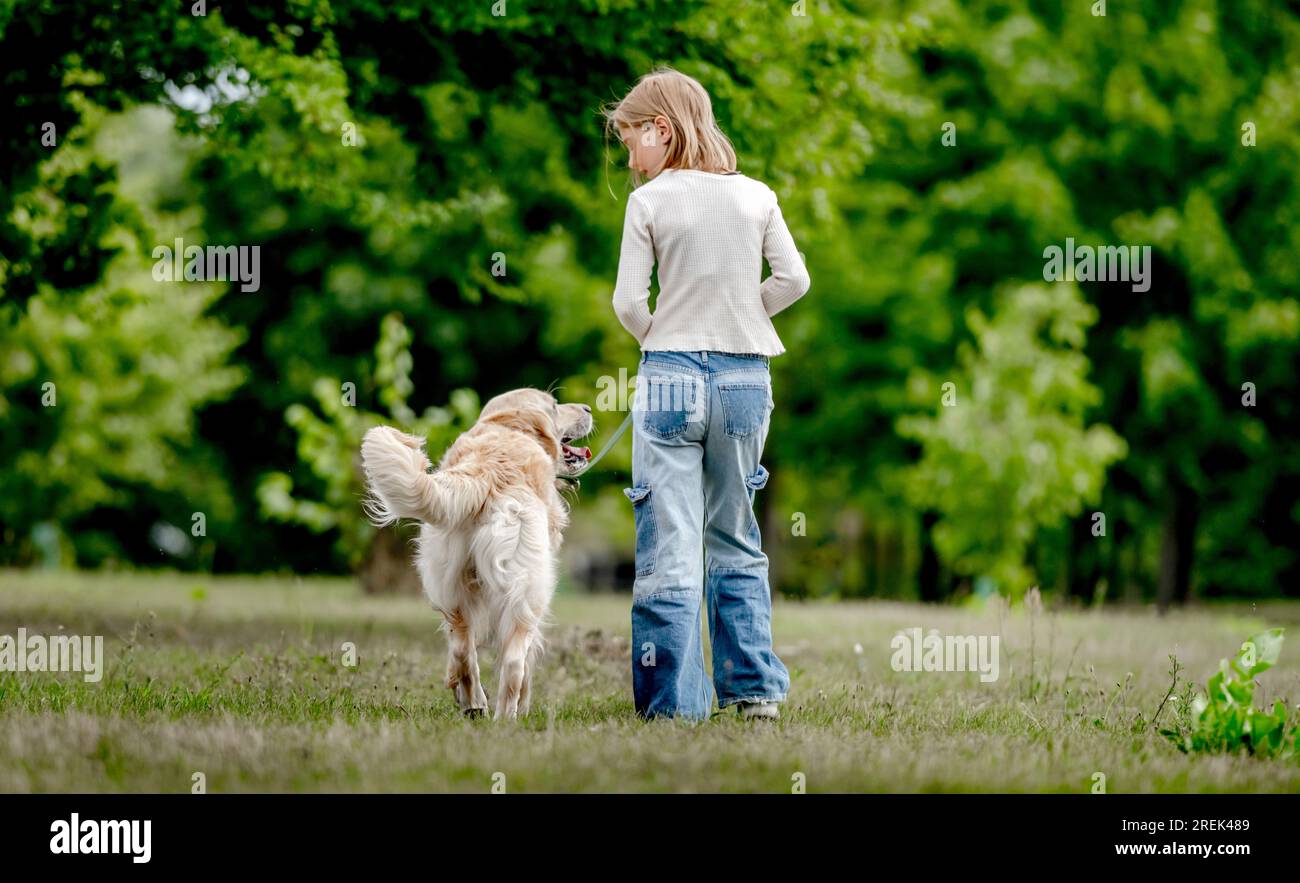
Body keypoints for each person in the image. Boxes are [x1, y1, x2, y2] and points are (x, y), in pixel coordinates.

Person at [603, 66, 811, 721]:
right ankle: (753, 694)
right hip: (746, 378)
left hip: (669, 378)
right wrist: (743, 312)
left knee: (669, 542)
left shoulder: (651, 202)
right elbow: (795, 279)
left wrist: (663, 334)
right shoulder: (757, 195)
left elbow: (629, 303)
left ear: (662, 130)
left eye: (632, 138)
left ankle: (671, 706)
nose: (629, 156)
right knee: (736, 537)